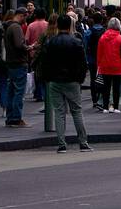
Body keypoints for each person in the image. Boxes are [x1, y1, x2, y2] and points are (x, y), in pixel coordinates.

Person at [38, 15, 91, 153]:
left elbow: (45, 62)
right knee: (76, 111)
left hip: (55, 80)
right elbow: (82, 63)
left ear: (57, 26)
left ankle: (62, 143)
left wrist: (48, 77)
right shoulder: (76, 41)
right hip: (72, 80)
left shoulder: (51, 42)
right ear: (70, 26)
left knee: (59, 112)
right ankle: (83, 142)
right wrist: (79, 78)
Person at [3, 8, 30, 127]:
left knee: (11, 91)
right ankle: (16, 118)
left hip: (11, 63)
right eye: (25, 16)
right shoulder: (16, 27)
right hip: (19, 63)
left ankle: (10, 117)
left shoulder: (8, 27)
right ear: (21, 15)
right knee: (19, 92)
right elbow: (19, 45)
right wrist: (28, 48)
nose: (26, 19)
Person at [96, 18, 121, 113]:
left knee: (106, 87)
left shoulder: (102, 38)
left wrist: (99, 65)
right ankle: (116, 107)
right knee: (116, 88)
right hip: (118, 66)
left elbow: (99, 53)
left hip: (105, 65)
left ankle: (105, 107)